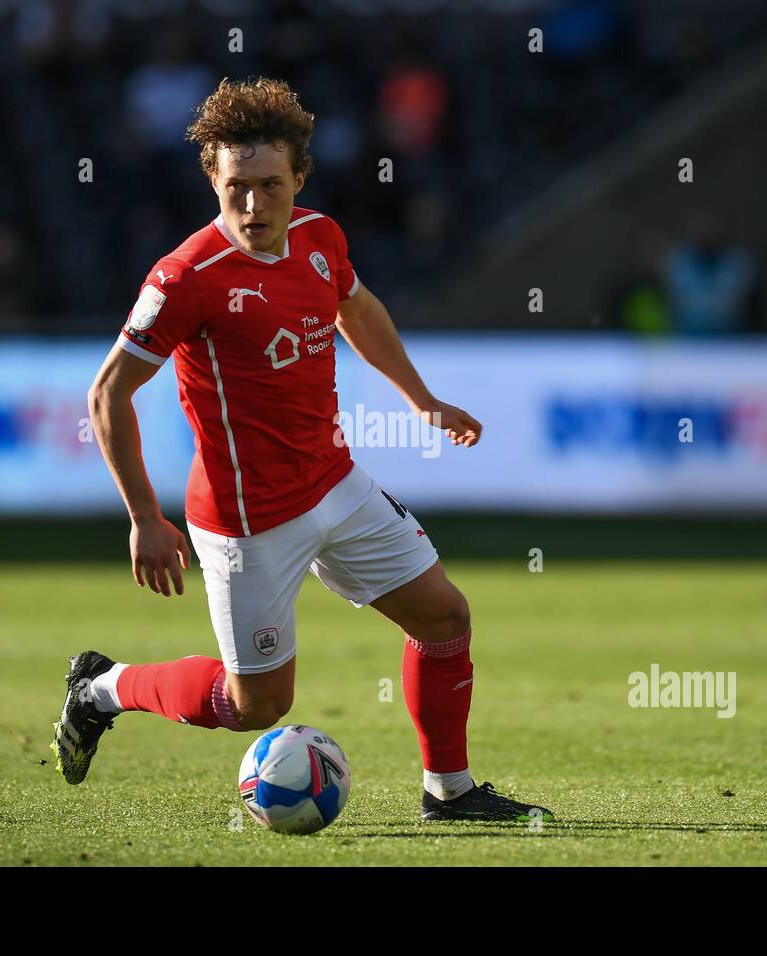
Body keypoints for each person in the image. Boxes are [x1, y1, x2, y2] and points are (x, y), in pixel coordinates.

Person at [52, 76, 553, 823]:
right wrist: (143, 517)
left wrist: (421, 400)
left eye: (270, 186)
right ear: (212, 182)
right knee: (257, 703)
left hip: (334, 481)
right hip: (246, 520)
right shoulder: (186, 277)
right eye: (236, 188)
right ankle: (102, 689)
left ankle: (448, 792)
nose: (253, 206)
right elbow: (106, 395)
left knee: (446, 619)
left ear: (300, 180)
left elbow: (358, 308)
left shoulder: (320, 237)